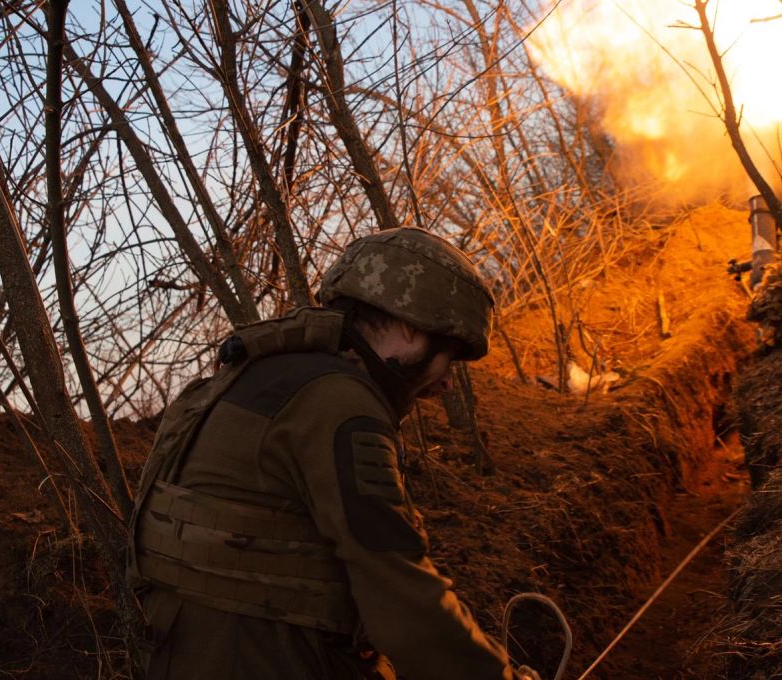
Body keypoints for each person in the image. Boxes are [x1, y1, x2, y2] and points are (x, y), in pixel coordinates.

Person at [128, 228, 518, 679]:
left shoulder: (264, 373)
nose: (448, 381)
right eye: (448, 357)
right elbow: (399, 591)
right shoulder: (338, 403)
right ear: (412, 327)